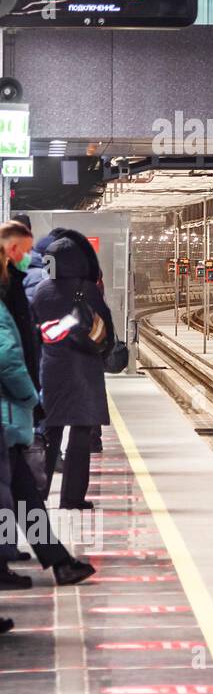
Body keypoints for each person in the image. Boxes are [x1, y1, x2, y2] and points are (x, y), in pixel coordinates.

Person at [0, 221, 94, 589]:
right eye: (20, 253)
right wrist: (29, 397)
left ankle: (57, 561)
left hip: (10, 414)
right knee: (13, 496)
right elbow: (7, 356)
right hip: (7, 411)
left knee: (22, 495)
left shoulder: (14, 296)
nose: (25, 260)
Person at [30, 234, 113, 511]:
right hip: (84, 372)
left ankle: (39, 494)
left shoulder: (42, 290)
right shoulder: (87, 290)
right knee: (80, 433)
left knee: (50, 432)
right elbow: (106, 332)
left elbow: (34, 331)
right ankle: (72, 498)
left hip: (52, 369)